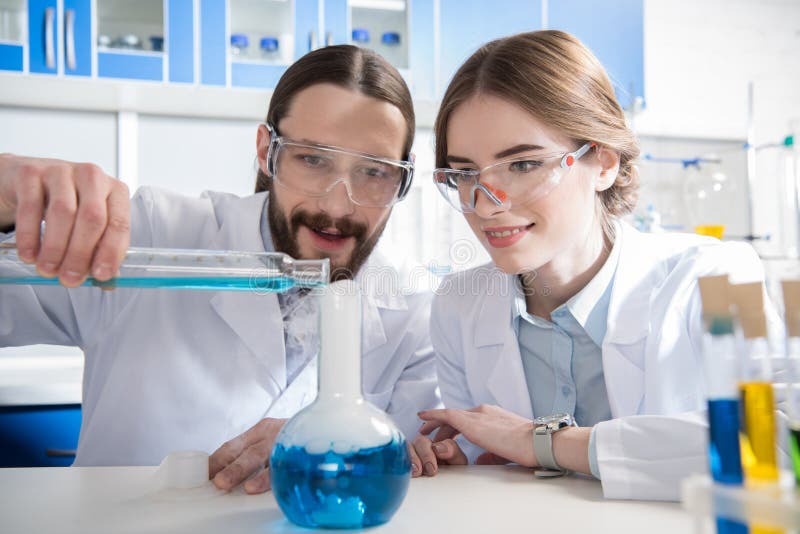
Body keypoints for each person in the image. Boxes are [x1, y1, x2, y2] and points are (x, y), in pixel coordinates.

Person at [0, 45, 439, 493]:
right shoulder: (154, 234)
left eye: (375, 171)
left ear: (403, 179)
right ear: (267, 152)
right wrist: (4, 192)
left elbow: (416, 469)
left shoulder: (414, 316)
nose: (337, 205)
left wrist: (339, 446)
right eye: (312, 158)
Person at [407, 30, 778, 501]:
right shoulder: (457, 305)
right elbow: (500, 474)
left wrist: (544, 442)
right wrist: (464, 463)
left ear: (602, 161)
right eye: (463, 174)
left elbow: (778, 440)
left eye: (521, 165)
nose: (485, 205)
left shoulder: (722, 275)